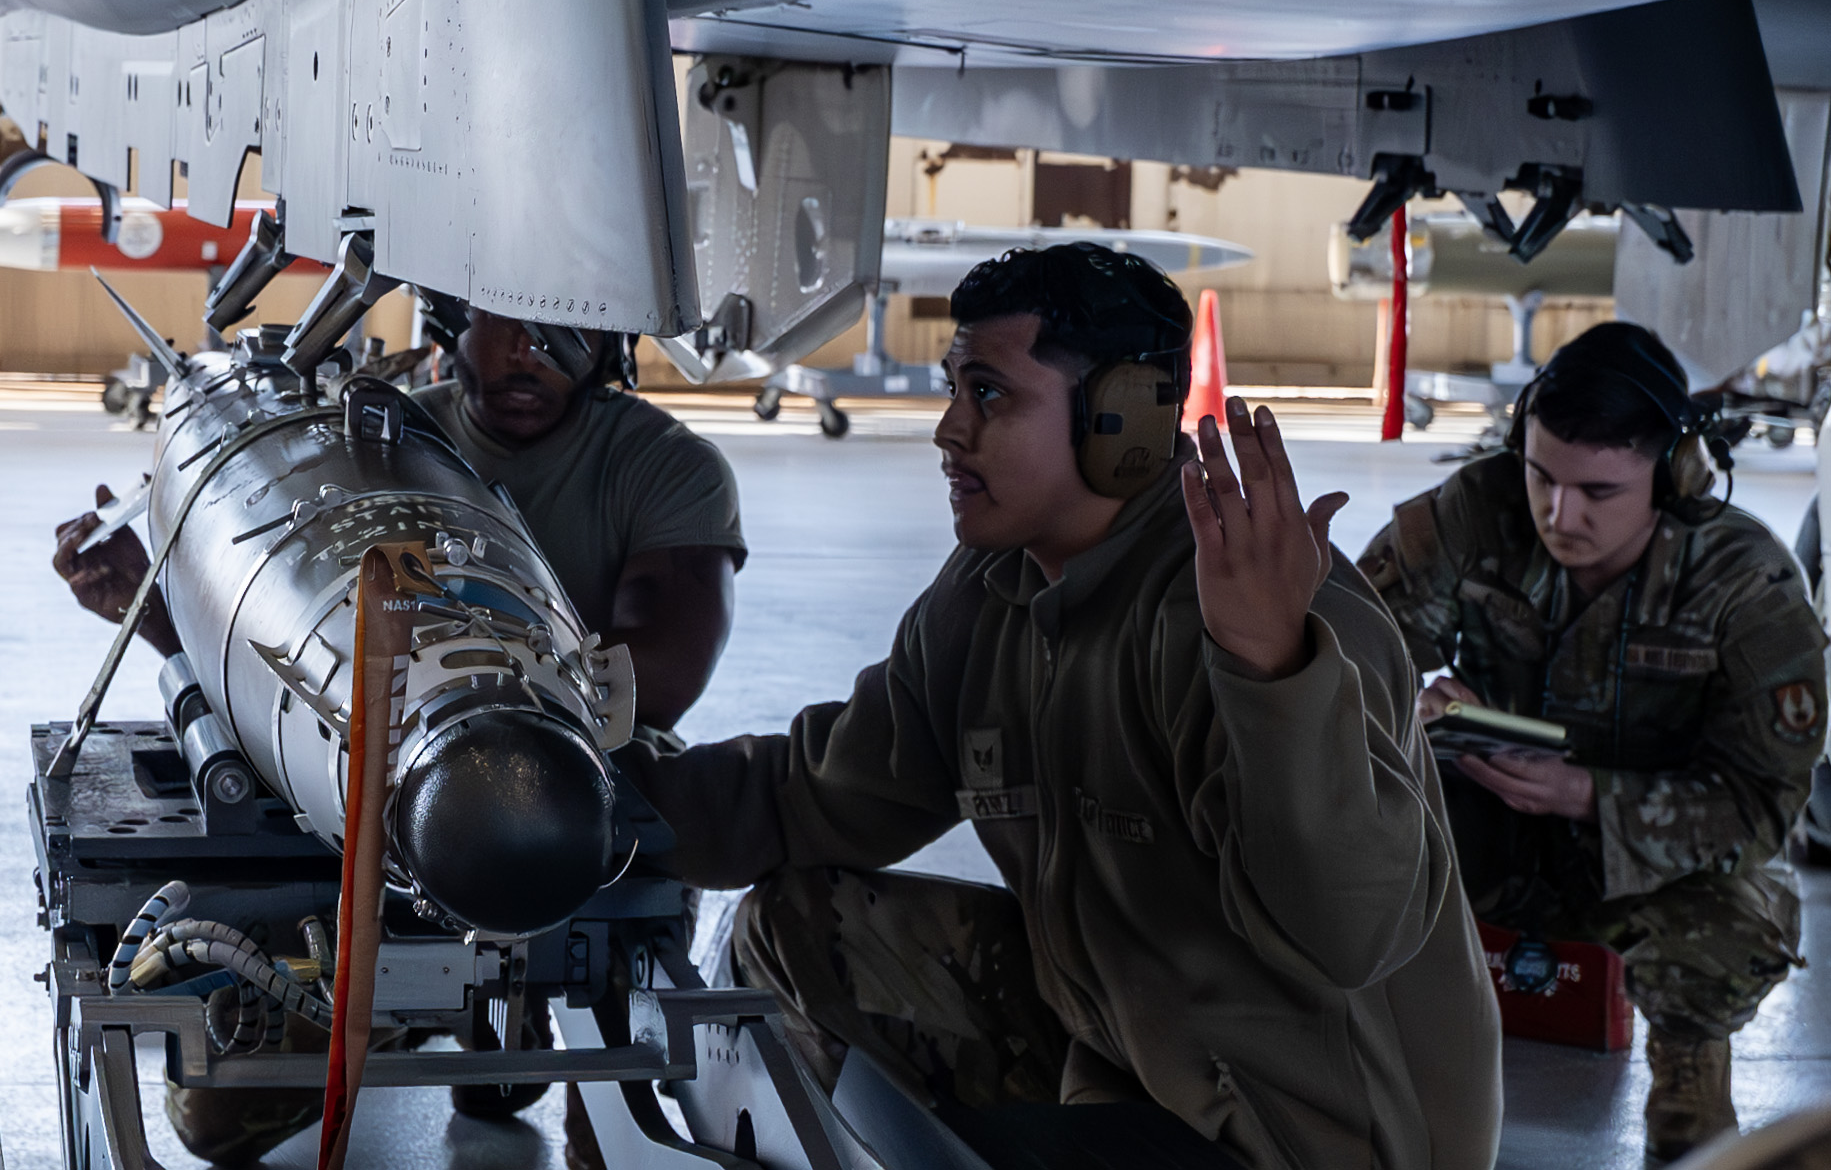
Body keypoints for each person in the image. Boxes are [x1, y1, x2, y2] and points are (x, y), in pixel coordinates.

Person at [612, 243, 1503, 1170]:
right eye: (953, 389)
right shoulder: (993, 588)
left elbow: (1350, 932)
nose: (948, 430)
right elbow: (820, 791)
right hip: (1129, 1065)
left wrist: (1270, 671)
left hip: (1314, 1135)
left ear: (1122, 420)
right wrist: (610, 806)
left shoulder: (1275, 611)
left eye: (989, 395)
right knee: (797, 926)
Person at [51, 305, 747, 1164]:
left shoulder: (665, 464)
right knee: (219, 1114)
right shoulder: (386, 426)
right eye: (504, 320)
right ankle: (435, 1001)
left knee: (591, 1105)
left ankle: (538, 1013)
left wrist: (503, 705)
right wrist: (161, 613)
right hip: (380, 819)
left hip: (566, 808)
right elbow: (279, 649)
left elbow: (666, 677)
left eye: (563, 324)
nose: (528, 350)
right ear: (452, 317)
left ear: (609, 336)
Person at [1358, 322, 1827, 1163]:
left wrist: (1584, 794)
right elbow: (1356, 646)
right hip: (1487, 819)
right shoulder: (1479, 507)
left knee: (1722, 931)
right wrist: (1411, 701)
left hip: (1655, 859)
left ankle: (1688, 1125)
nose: (1558, 513)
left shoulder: (1743, 583)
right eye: (1541, 475)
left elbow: (1758, 807)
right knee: (1326, 846)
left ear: (1673, 474)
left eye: (1598, 491)